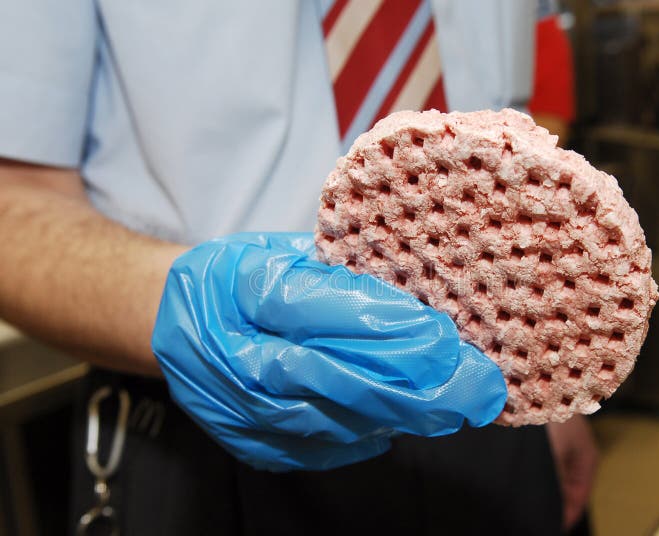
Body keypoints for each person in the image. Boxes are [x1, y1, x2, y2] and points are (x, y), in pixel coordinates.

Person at [0, 0, 597, 533]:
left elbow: (531, 102)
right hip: (216, 418)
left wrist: (547, 367)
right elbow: (14, 202)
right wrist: (183, 308)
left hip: (485, 402)